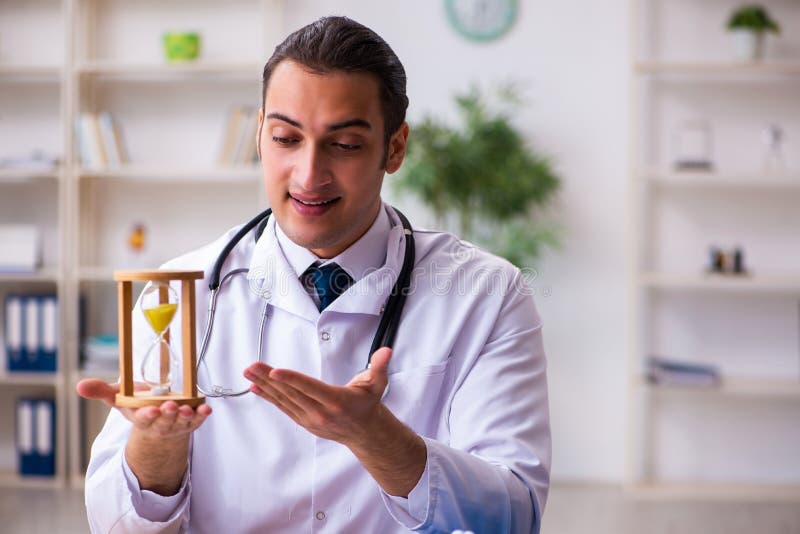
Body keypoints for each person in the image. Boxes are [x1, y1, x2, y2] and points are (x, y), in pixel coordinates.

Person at [78, 16, 551, 533]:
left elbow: (513, 514)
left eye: (344, 145)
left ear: (394, 148)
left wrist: (376, 437)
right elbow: (113, 525)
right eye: (285, 138)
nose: (308, 174)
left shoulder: (487, 294)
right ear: (259, 134)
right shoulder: (182, 288)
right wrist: (157, 444)